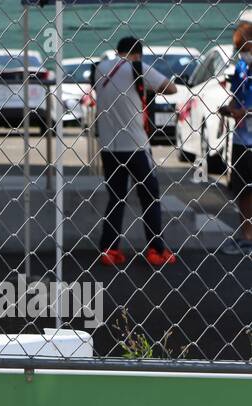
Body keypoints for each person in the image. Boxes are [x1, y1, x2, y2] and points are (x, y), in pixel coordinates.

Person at [93, 36, 178, 266]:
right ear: (137, 53)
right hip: (137, 146)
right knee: (150, 197)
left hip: (109, 147)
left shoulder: (100, 68)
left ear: (117, 51)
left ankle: (109, 250)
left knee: (117, 197)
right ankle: (155, 249)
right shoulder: (138, 68)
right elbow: (171, 88)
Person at [219, 16, 252, 254]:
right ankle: (246, 235)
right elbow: (236, 95)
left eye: (246, 50)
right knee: (242, 189)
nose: (242, 54)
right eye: (239, 50)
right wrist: (230, 109)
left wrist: (245, 112)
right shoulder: (241, 67)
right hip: (241, 138)